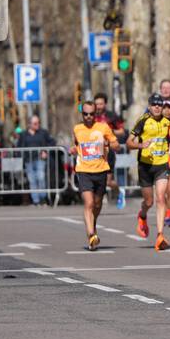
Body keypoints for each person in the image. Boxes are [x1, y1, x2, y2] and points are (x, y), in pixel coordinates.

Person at [127, 93, 170, 250]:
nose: (157, 107)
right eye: (154, 104)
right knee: (149, 202)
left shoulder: (167, 121)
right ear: (149, 106)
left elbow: (166, 140)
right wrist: (141, 146)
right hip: (145, 166)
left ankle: (160, 235)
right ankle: (142, 215)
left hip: (161, 165)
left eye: (159, 105)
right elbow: (129, 143)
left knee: (161, 197)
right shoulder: (143, 121)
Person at [70, 100, 119, 250]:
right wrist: (73, 149)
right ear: (82, 114)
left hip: (101, 170)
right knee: (89, 203)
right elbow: (76, 145)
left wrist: (108, 144)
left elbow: (116, 145)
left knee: (97, 204)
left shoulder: (103, 127)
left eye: (92, 114)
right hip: (84, 170)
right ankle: (91, 234)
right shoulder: (77, 129)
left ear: (96, 114)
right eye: (86, 114)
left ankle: (93, 223)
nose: (89, 117)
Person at [16, 114, 54, 205]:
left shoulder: (43, 132)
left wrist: (45, 151)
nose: (37, 125)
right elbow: (18, 146)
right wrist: (21, 156)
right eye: (35, 123)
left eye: (38, 123)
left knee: (40, 177)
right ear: (29, 124)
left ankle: (43, 198)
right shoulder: (23, 134)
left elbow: (52, 142)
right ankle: (35, 200)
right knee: (32, 180)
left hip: (40, 159)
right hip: (28, 160)